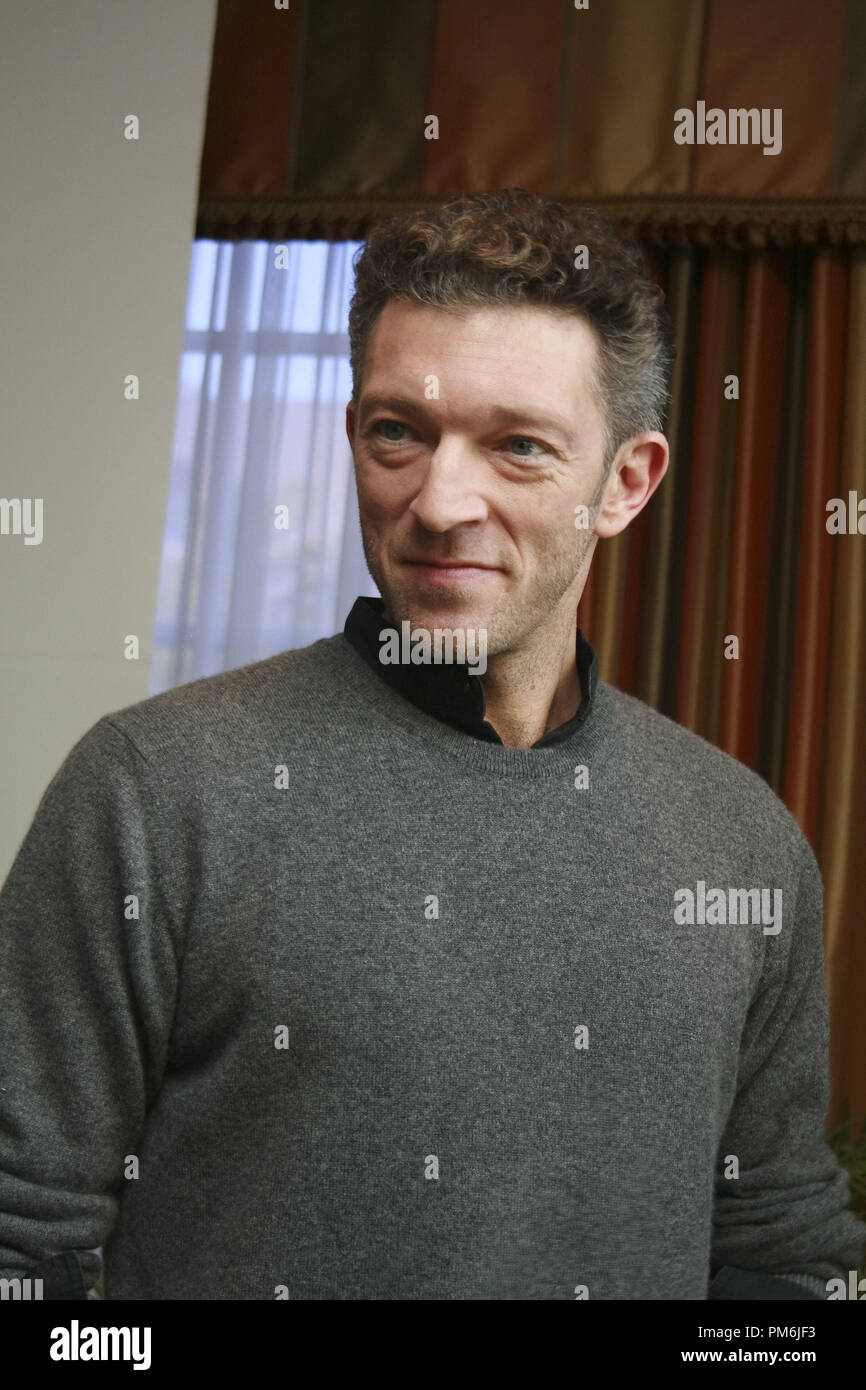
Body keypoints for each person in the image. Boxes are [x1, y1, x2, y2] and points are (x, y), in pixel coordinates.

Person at [0, 190, 862, 1301]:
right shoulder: (153, 793)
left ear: (625, 483)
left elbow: (779, 1258)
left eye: (517, 446)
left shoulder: (742, 845)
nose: (439, 501)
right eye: (399, 431)